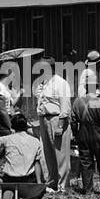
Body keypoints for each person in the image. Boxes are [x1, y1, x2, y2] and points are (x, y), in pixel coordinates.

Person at [33, 62, 72, 192]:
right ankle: (52, 182)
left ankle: (63, 186)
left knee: (60, 153)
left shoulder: (61, 83)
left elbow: (65, 105)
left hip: (56, 118)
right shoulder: (43, 83)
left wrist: (61, 125)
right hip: (44, 118)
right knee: (47, 152)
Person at [71, 83, 100, 197]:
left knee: (86, 163)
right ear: (96, 89)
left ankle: (88, 190)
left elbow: (73, 121)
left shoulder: (77, 102)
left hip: (83, 133)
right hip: (98, 133)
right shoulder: (99, 102)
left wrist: (76, 134)